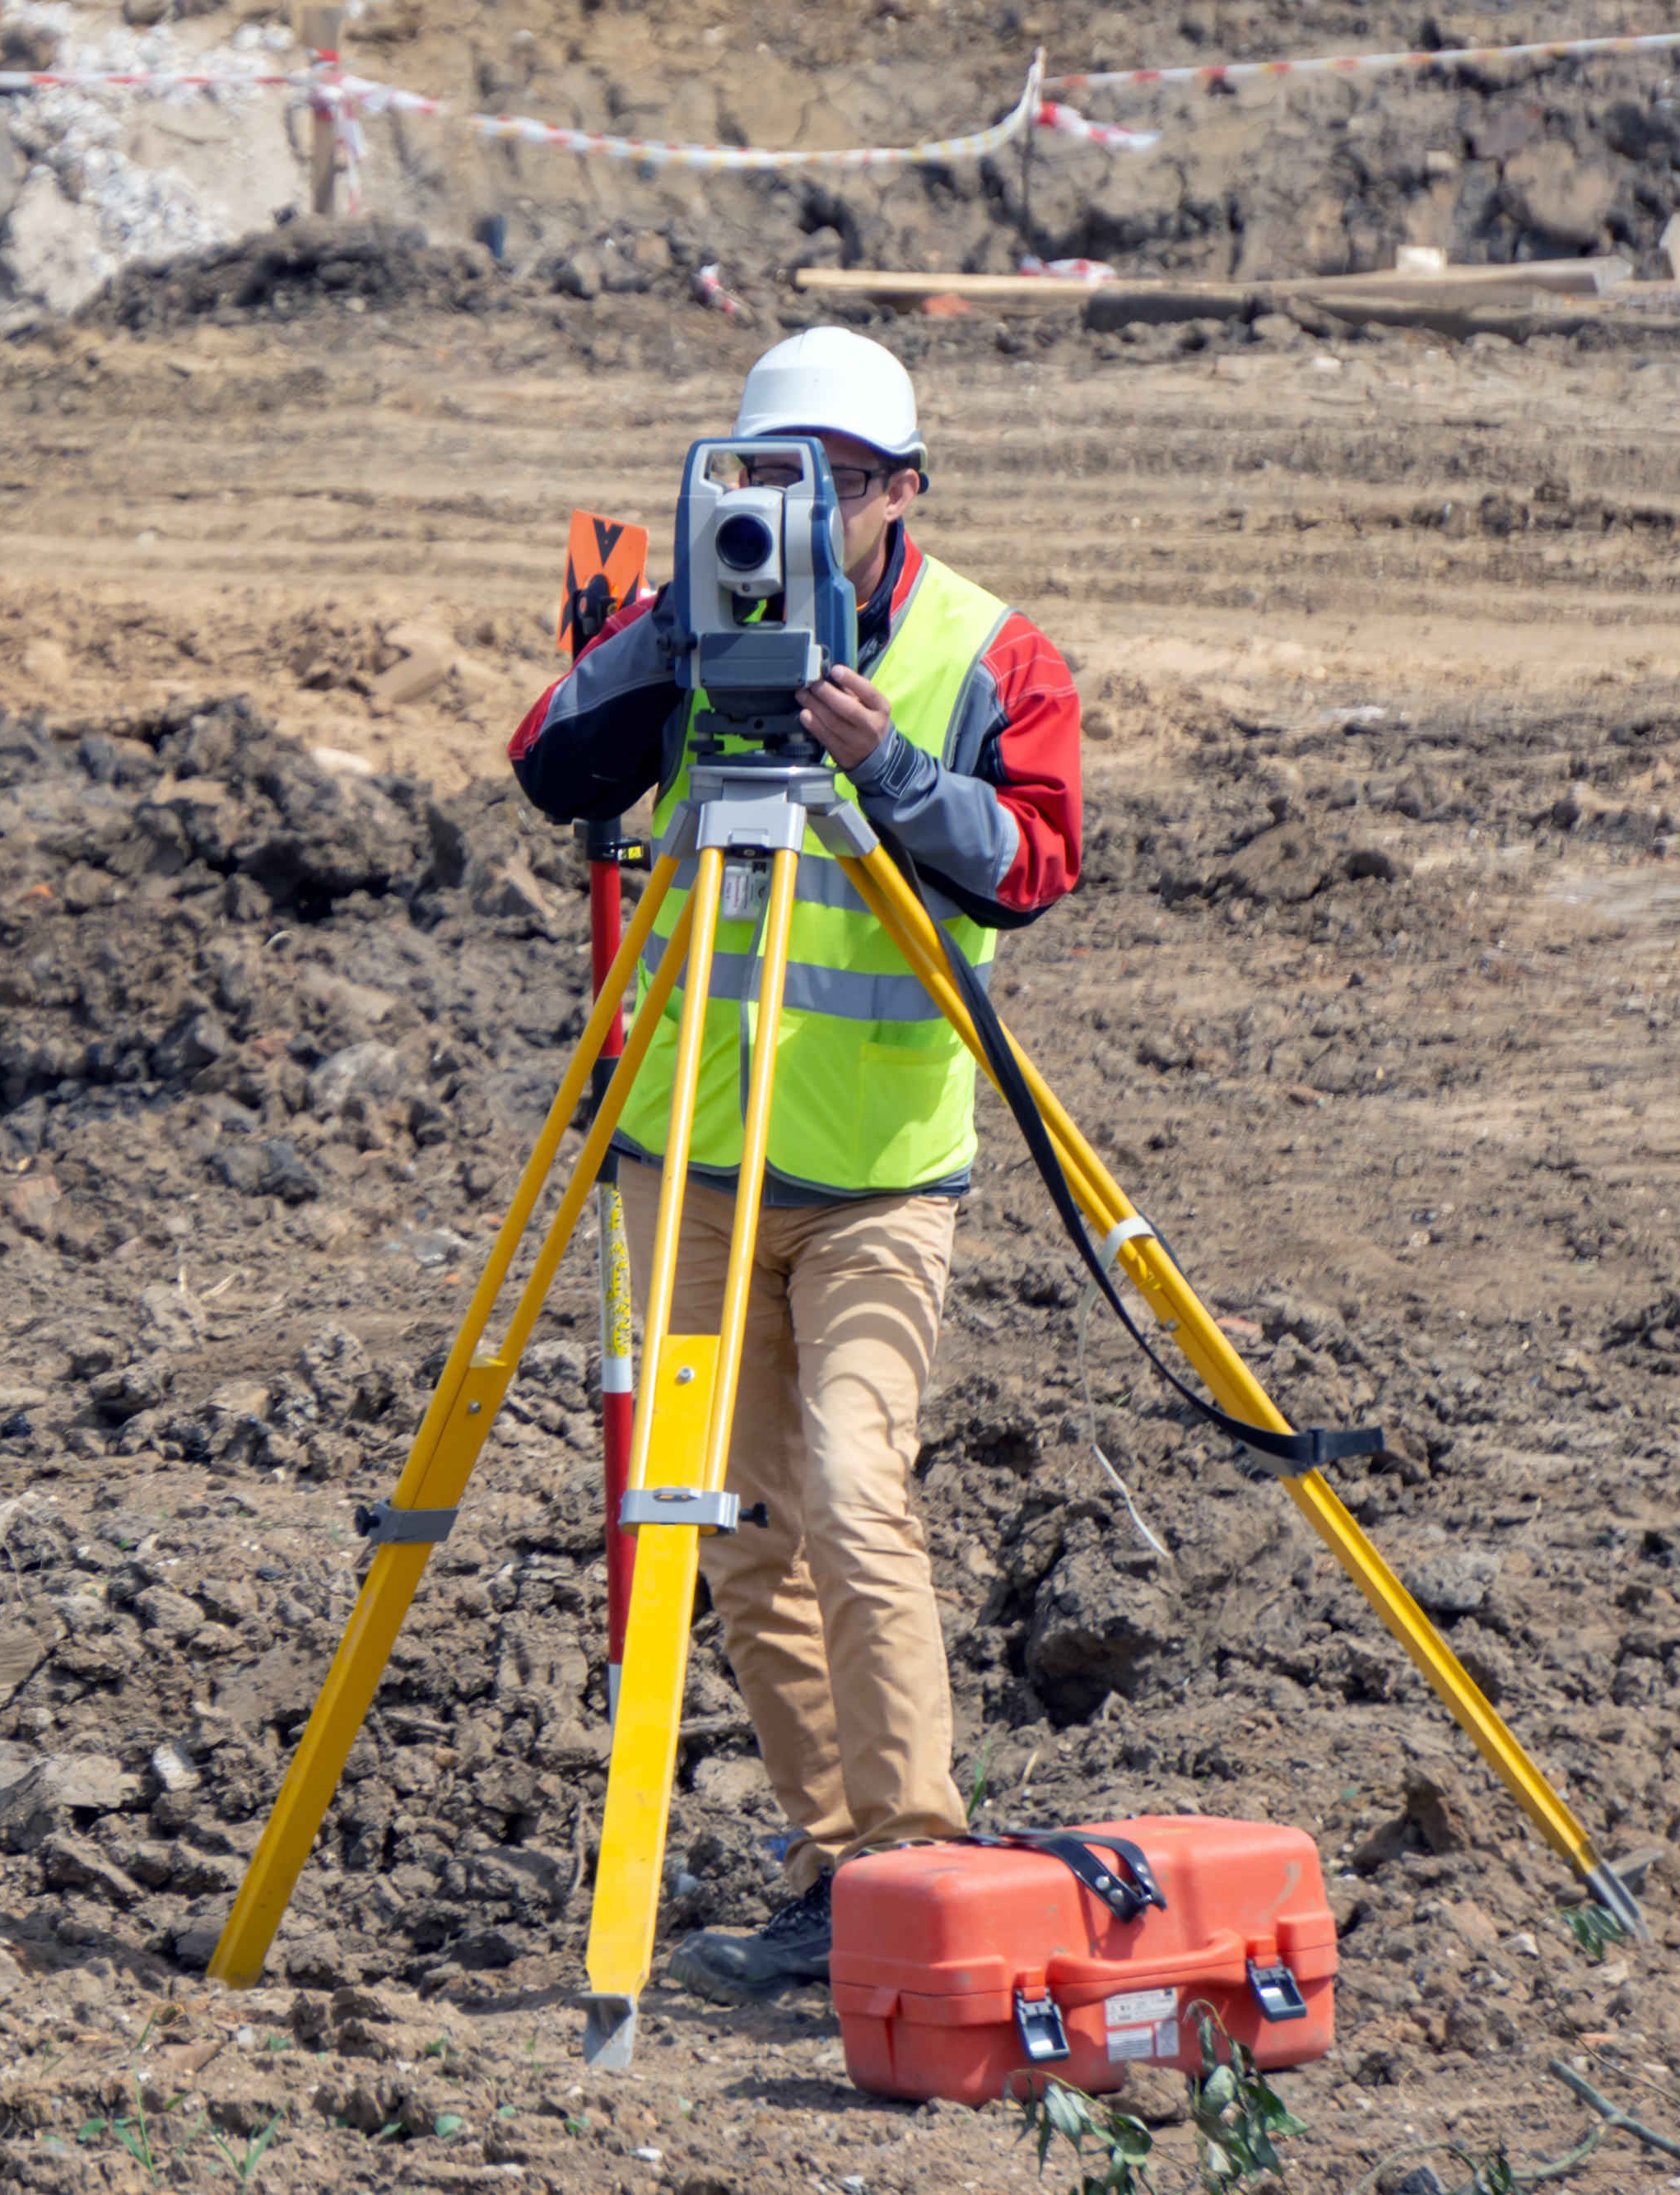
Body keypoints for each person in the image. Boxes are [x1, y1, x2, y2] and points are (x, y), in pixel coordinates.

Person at [505, 326, 1085, 2002]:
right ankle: (831, 1873)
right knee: (741, 1526)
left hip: (878, 1174)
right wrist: (678, 642)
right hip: (684, 1153)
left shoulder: (989, 652)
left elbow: (1032, 865)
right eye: (766, 480)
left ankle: (915, 1858)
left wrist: (887, 768)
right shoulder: (681, 618)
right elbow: (550, 767)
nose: (797, 515)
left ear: (902, 489)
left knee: (849, 1486)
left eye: (834, 486)